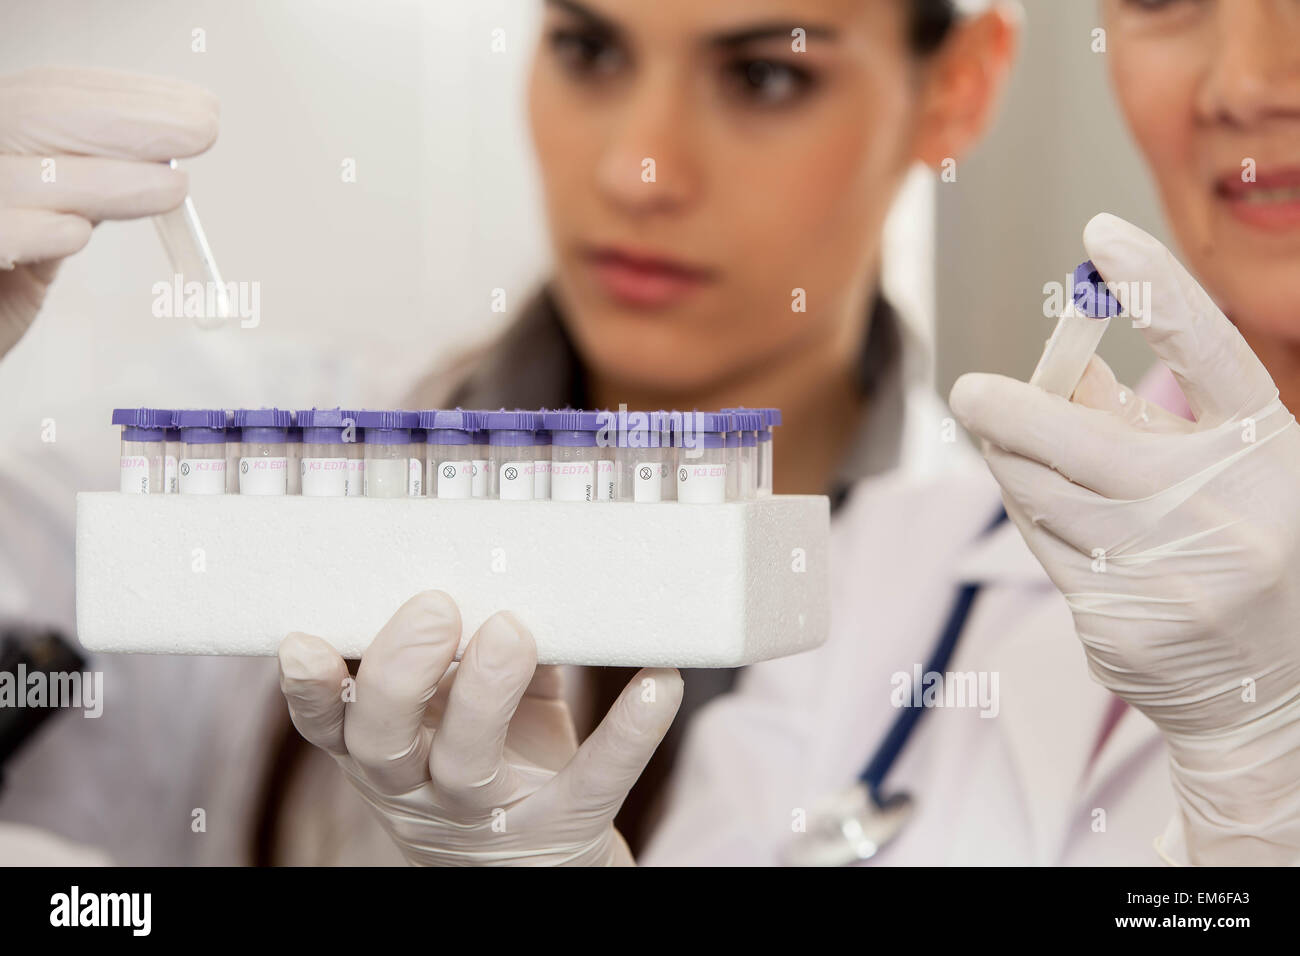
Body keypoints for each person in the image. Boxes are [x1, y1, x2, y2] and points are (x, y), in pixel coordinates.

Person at [282, 0, 1300, 866]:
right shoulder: (888, 565)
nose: (1248, 82)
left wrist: (1267, 792)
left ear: (959, 85)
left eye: (766, 76)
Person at [0, 0, 1020, 864]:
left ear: (956, 89)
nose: (638, 169)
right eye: (588, 50)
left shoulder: (1042, 625)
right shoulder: (254, 465)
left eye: (762, 76)